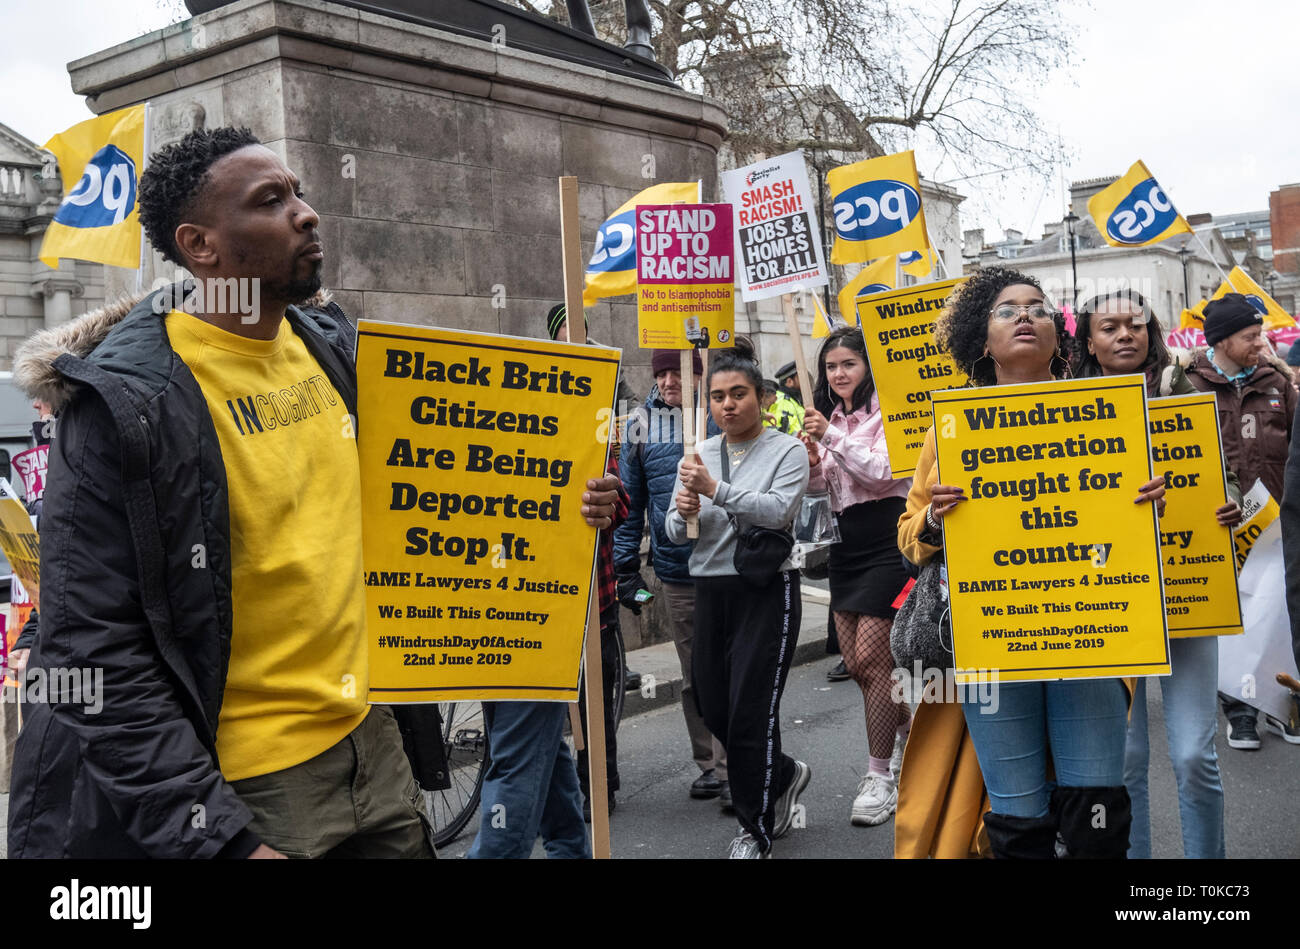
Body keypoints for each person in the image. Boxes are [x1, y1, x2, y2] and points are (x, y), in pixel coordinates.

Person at [6, 127, 623, 859]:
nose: (306, 212)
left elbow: (439, 501)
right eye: (272, 200)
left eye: (298, 191)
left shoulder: (332, 348)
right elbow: (92, 656)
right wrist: (223, 839)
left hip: (377, 755)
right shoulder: (123, 405)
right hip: (248, 793)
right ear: (200, 244)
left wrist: (561, 504)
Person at [896, 267, 1164, 859]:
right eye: (1007, 309)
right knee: (1017, 823)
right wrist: (938, 520)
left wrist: (1149, 507)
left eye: (1038, 308)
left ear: (1058, 333)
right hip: (994, 643)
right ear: (979, 337)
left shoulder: (1107, 411)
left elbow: (1136, 534)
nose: (1025, 316)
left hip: (1089, 638)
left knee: (1097, 818)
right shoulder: (950, 428)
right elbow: (909, 540)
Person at [1072, 289, 1241, 859]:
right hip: (1112, 602)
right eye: (1109, 327)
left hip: (1186, 590)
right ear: (1088, 342)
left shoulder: (1186, 390)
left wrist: (1230, 499)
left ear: (1151, 331)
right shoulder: (1064, 408)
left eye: (1135, 324)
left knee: (1194, 754)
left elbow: (1224, 468)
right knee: (1126, 760)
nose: (1125, 335)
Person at [665, 351, 811, 858]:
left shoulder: (788, 451)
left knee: (751, 716)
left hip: (766, 591)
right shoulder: (697, 451)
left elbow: (777, 512)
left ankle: (755, 830)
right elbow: (673, 531)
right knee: (712, 705)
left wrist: (716, 490)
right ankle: (786, 771)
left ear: (763, 399)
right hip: (711, 592)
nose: (727, 405)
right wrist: (682, 509)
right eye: (718, 396)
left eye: (738, 394)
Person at [800, 326, 912, 826]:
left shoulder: (890, 413)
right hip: (845, 544)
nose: (839, 373)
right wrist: (810, 464)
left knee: (871, 657)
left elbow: (883, 473)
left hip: (889, 541)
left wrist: (831, 438)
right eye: (831, 366)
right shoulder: (832, 418)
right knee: (859, 663)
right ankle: (911, 733)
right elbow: (825, 489)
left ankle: (879, 776)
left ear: (869, 367)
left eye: (849, 363)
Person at [1185, 293, 1299, 748]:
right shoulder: (1189, 385)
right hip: (1222, 521)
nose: (1260, 342)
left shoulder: (1277, 382)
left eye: (1261, 334)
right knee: (1235, 616)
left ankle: (1283, 703)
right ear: (1222, 340)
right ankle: (1240, 708)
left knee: (1279, 613)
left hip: (1277, 521)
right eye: (1251, 336)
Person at [615, 348, 729, 804]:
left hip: (727, 566)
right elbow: (630, 502)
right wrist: (626, 566)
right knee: (694, 673)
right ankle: (709, 765)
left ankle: (735, 765)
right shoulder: (640, 424)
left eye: (675, 372)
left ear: (697, 375)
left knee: (730, 668)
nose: (667, 381)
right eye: (659, 373)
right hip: (678, 570)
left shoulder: (724, 411)